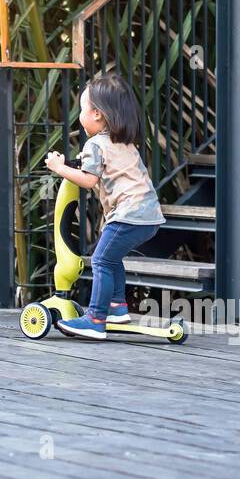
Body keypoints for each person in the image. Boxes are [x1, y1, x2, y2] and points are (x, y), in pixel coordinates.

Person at [43, 73, 164, 340]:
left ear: (97, 114)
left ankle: (95, 319)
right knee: (111, 257)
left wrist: (60, 168)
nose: (80, 117)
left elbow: (88, 180)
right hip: (149, 216)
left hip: (128, 214)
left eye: (82, 110)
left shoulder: (95, 144)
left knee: (100, 259)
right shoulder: (123, 142)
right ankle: (117, 307)